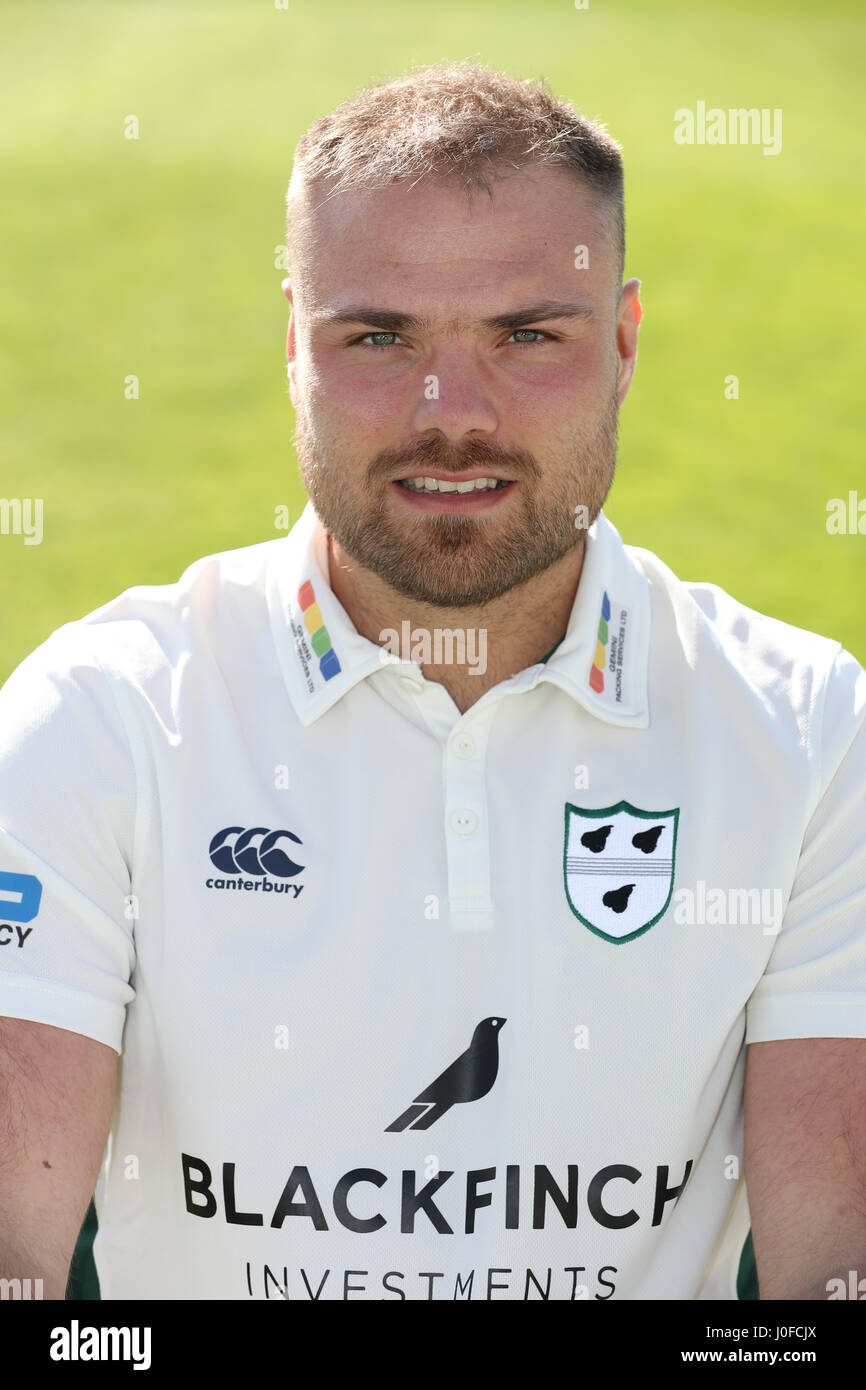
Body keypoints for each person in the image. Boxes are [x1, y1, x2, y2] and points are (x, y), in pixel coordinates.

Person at [1, 62, 864, 1303]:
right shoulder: (99, 715)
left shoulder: (807, 730)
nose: (449, 411)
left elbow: (831, 1272)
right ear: (292, 345)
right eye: (377, 337)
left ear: (620, 345)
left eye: (526, 335)